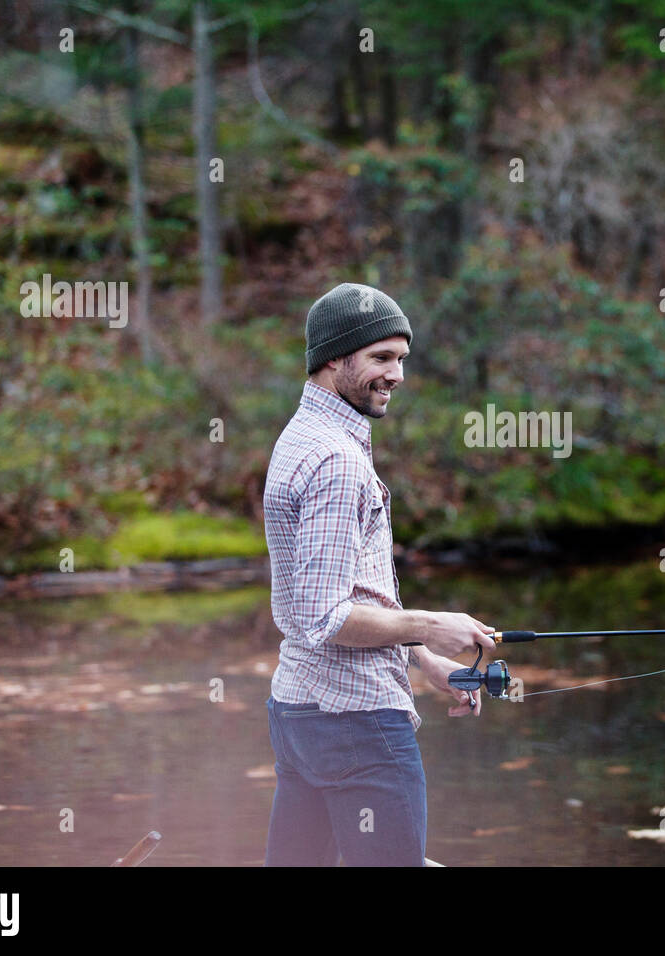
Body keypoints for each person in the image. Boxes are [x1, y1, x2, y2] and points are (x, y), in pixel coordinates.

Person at [263, 282, 495, 867]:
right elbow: (326, 616)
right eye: (381, 358)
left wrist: (423, 658)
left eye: (401, 360)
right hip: (358, 724)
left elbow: (344, 592)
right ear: (333, 359)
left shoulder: (303, 437)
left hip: (299, 712)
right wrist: (428, 626)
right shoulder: (337, 460)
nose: (396, 375)